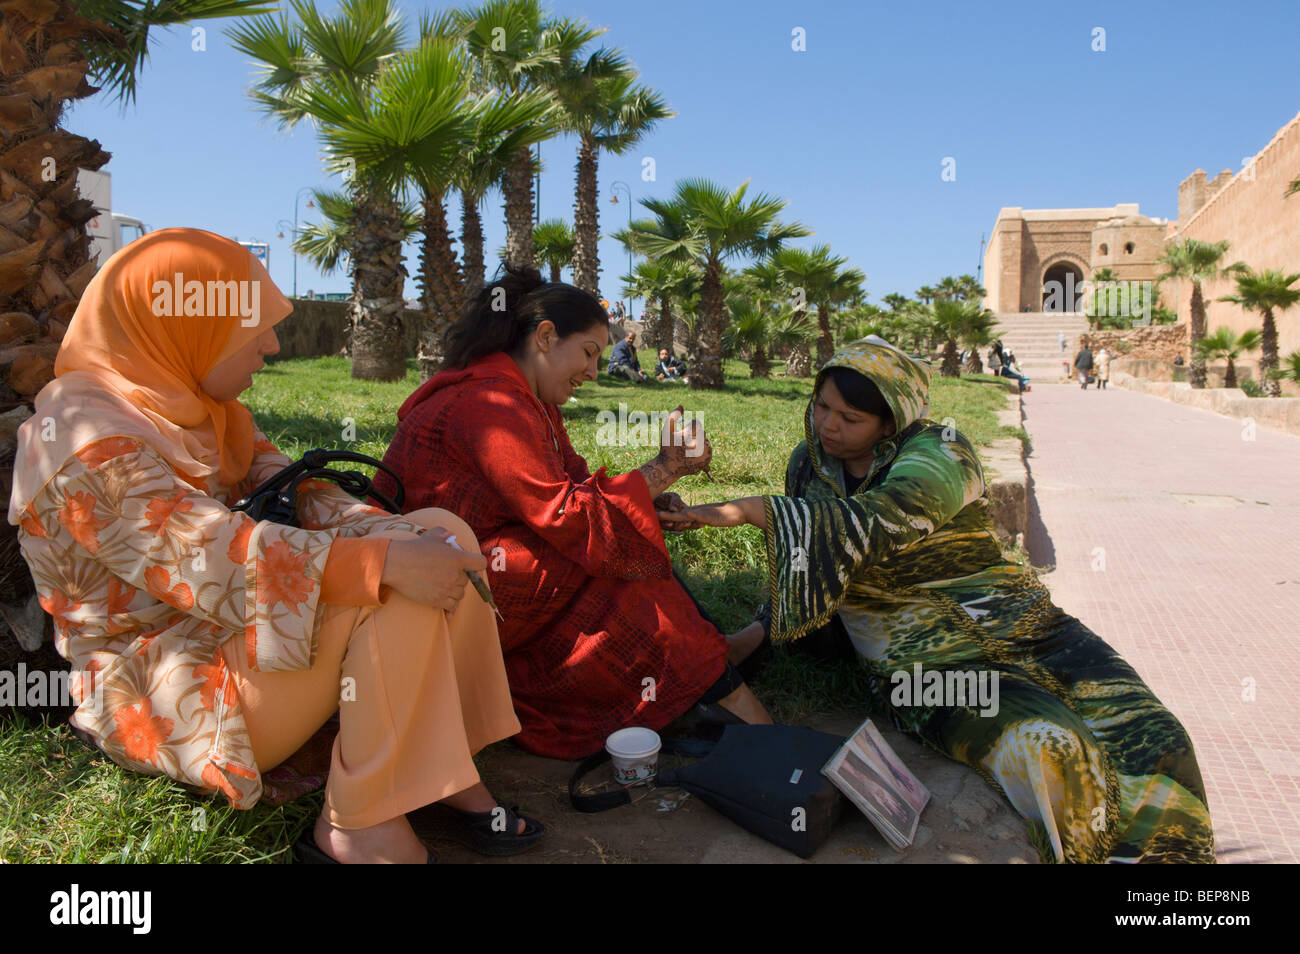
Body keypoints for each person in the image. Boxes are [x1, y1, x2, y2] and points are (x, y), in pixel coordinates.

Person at [8, 229, 544, 864]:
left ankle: (442, 766)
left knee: (440, 534)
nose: (272, 344)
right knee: (383, 583)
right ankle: (358, 826)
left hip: (235, 636)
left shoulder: (210, 412)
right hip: (156, 681)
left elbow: (302, 492)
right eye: (252, 326)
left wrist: (396, 536)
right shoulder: (76, 435)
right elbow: (204, 562)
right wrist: (384, 561)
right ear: (185, 322)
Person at [663, 336, 1214, 863]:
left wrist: (728, 510)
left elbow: (880, 521)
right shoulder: (807, 464)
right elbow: (818, 560)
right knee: (1051, 750)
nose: (828, 425)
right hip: (922, 662)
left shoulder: (943, 452)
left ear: (892, 423)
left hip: (1027, 626)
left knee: (1159, 736)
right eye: (822, 405)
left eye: (850, 418)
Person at [371, 266, 771, 761]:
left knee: (625, 531)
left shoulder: (525, 399)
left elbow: (577, 487)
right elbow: (566, 515)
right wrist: (666, 469)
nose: (592, 373)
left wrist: (651, 496)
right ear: (544, 337)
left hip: (472, 564)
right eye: (588, 353)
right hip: (437, 584)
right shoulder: (490, 402)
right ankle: (728, 693)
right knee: (616, 552)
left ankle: (707, 663)